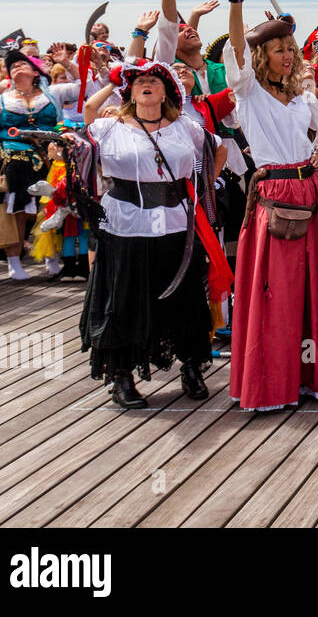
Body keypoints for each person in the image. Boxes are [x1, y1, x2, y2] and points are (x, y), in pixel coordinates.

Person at [222, 0, 318, 411]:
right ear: (264, 56)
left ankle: (308, 378)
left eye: (287, 49)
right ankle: (271, 384)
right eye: (276, 49)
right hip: (274, 197)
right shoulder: (248, 92)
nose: (284, 55)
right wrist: (236, 0)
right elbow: (238, 50)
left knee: (310, 289)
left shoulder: (302, 97)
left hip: (308, 193)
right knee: (275, 292)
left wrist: (317, 159)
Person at [79, 59, 229, 408]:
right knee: (125, 299)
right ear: (130, 91)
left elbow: (218, 146)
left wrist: (204, 184)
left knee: (184, 298)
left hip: (176, 224)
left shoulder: (185, 127)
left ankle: (191, 366)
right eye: (140, 81)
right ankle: (121, 377)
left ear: (167, 91)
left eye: (154, 81)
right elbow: (86, 119)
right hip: (125, 225)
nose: (146, 85)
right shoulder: (109, 127)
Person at [0, 49, 60, 280]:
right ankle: (14, 263)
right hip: (13, 159)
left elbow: (89, 88)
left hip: (50, 156)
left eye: (22, 64)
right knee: (16, 209)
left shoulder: (52, 95)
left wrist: (67, 63)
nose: (16, 67)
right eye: (12, 67)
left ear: (35, 71)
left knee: (50, 206)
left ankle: (51, 258)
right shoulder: (0, 100)